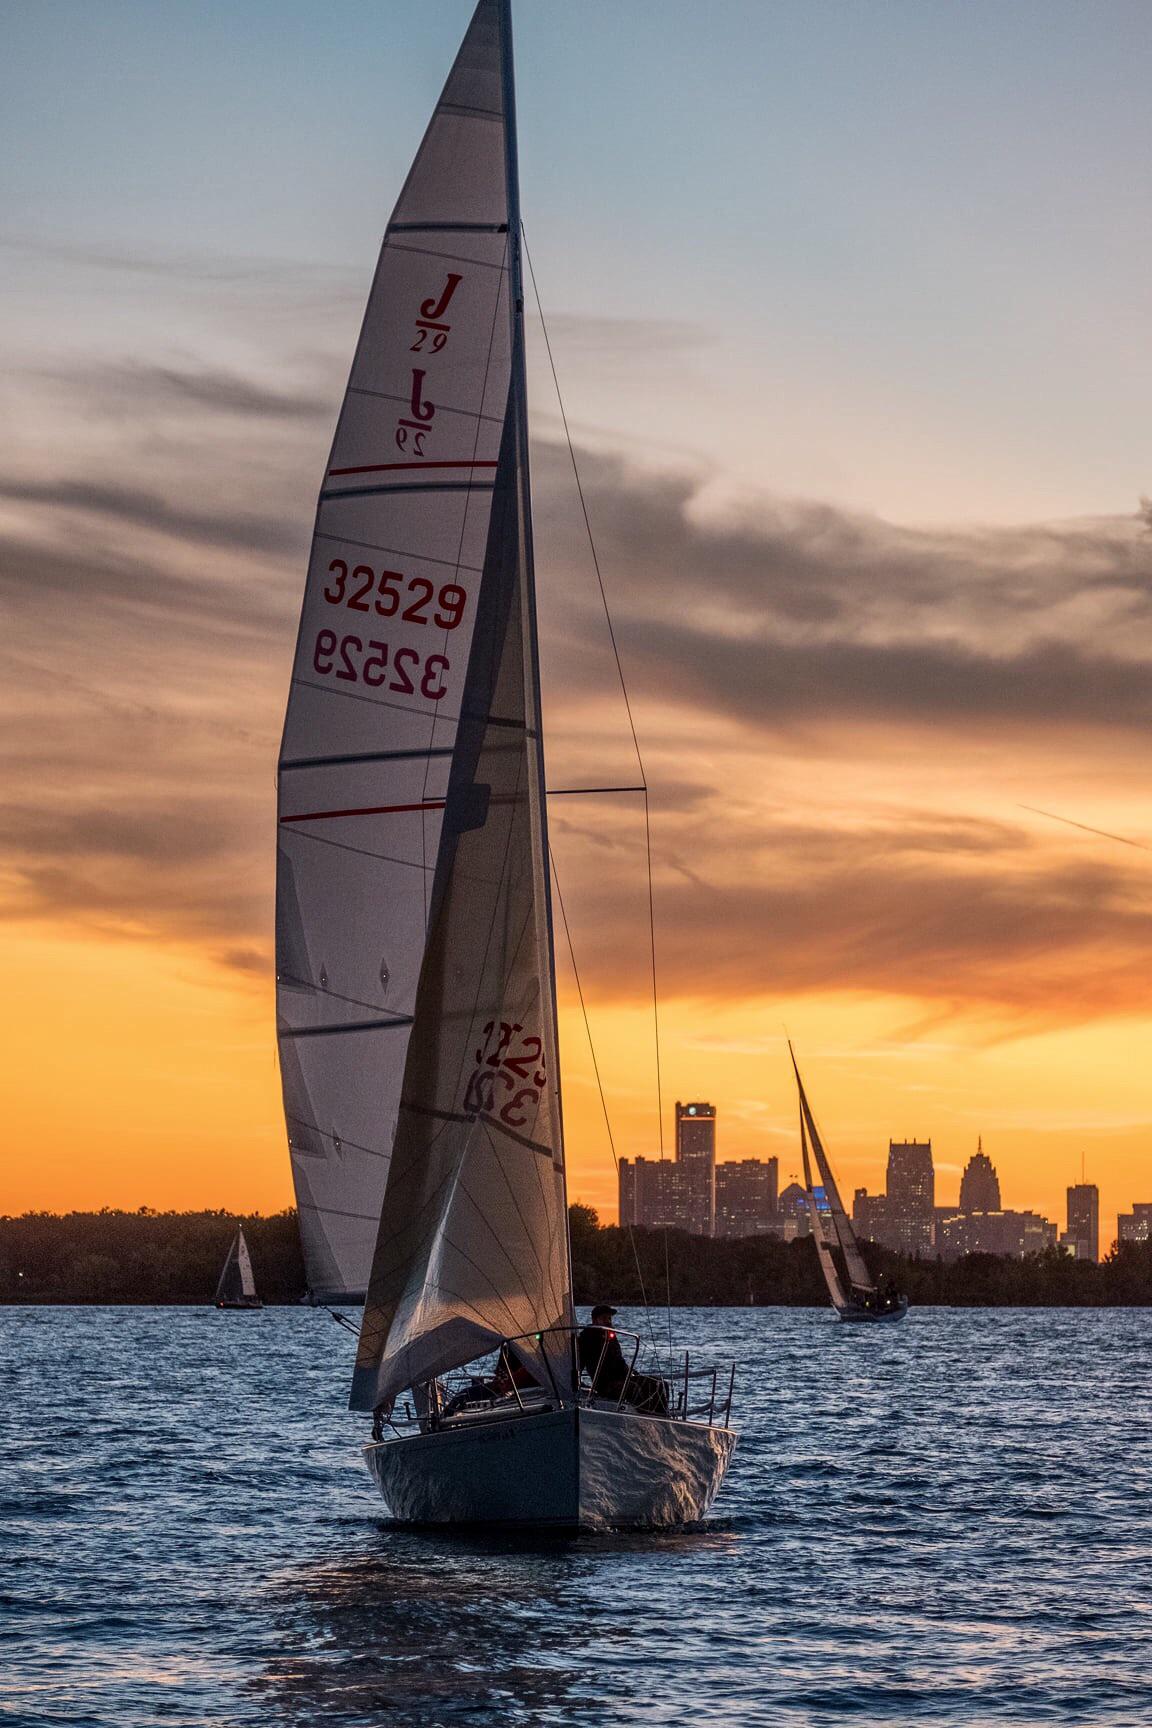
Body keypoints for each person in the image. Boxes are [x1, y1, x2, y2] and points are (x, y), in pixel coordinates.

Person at [577, 1304, 668, 1416]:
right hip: (605, 1384)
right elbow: (580, 1363)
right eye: (604, 1318)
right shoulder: (586, 1338)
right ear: (595, 1320)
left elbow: (619, 1361)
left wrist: (632, 1373)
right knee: (633, 1388)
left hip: (622, 1378)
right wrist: (577, 1382)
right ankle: (641, 1418)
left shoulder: (610, 1336)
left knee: (659, 1384)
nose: (608, 1321)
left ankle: (661, 1417)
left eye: (609, 1318)